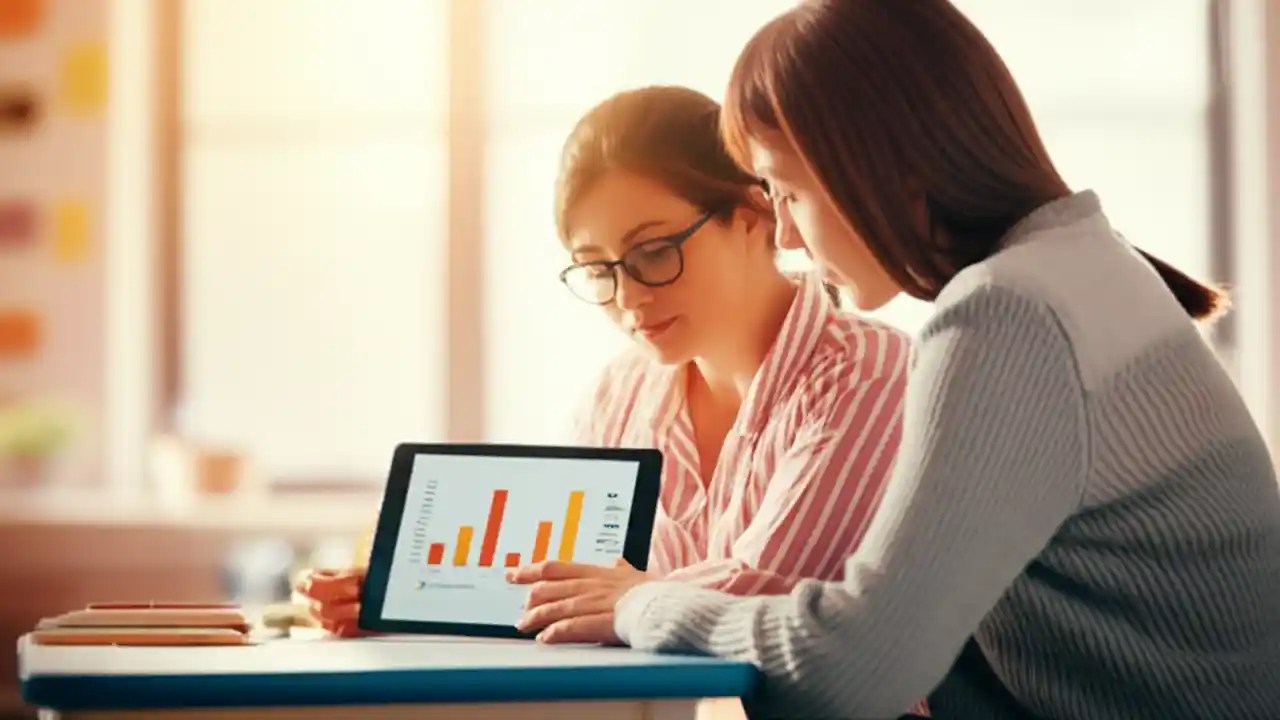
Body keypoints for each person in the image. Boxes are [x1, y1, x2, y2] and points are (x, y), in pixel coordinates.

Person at [510, 2, 1280, 719]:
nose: (784, 237)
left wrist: (636, 603)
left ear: (875, 164)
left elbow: (858, 665)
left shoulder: (1004, 313)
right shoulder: (1082, 265)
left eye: (787, 194)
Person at [298, 85, 909, 642]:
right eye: (597, 267)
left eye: (653, 251)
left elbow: (771, 593)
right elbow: (565, 587)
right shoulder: (622, 392)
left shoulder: (866, 373)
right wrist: (402, 597)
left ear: (752, 216)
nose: (628, 297)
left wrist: (630, 599)